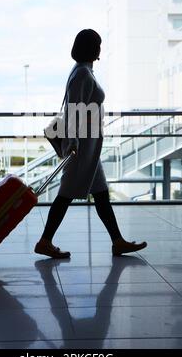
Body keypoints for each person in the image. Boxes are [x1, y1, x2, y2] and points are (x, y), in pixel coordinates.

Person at [35, 29, 147, 259]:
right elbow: (74, 109)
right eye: (98, 44)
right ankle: (45, 241)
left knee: (101, 194)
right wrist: (73, 143)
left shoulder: (81, 72)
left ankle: (117, 241)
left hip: (89, 147)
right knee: (65, 194)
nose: (100, 48)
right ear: (90, 48)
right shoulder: (83, 74)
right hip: (82, 148)